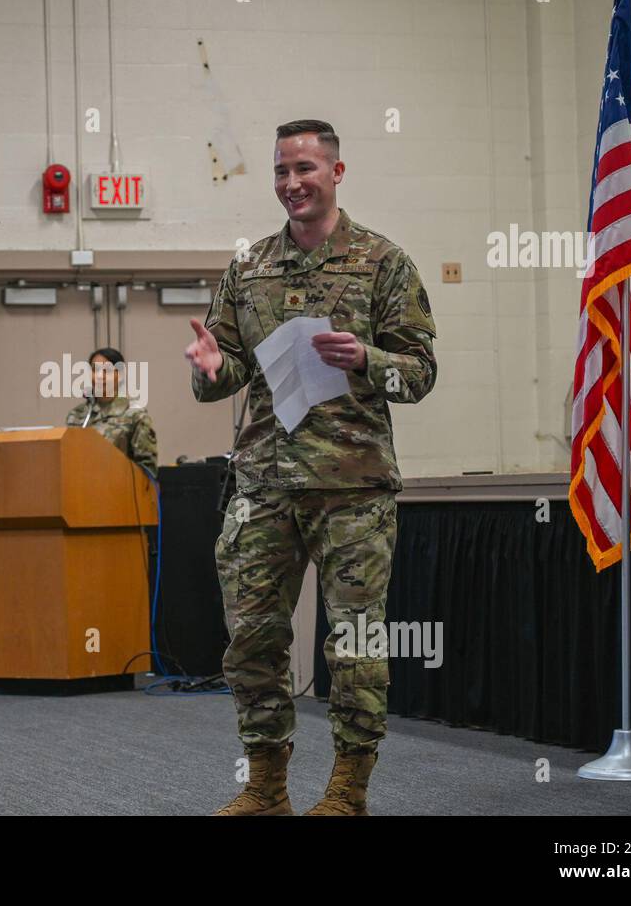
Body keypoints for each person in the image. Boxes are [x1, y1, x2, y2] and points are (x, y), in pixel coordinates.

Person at [184, 119, 437, 815]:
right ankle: (265, 787)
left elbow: (420, 374)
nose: (291, 183)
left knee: (353, 645)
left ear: (336, 171)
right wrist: (210, 370)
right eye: (280, 172)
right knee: (251, 639)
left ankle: (348, 791)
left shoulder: (383, 263)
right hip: (263, 487)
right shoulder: (250, 267)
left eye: (305, 169)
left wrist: (367, 358)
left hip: (352, 490)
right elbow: (225, 371)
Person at [65, 347, 158, 478]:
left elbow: (147, 469)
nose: (99, 376)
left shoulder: (134, 415)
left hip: (119, 491)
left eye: (106, 370)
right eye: (95, 370)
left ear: (119, 375)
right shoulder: (77, 416)